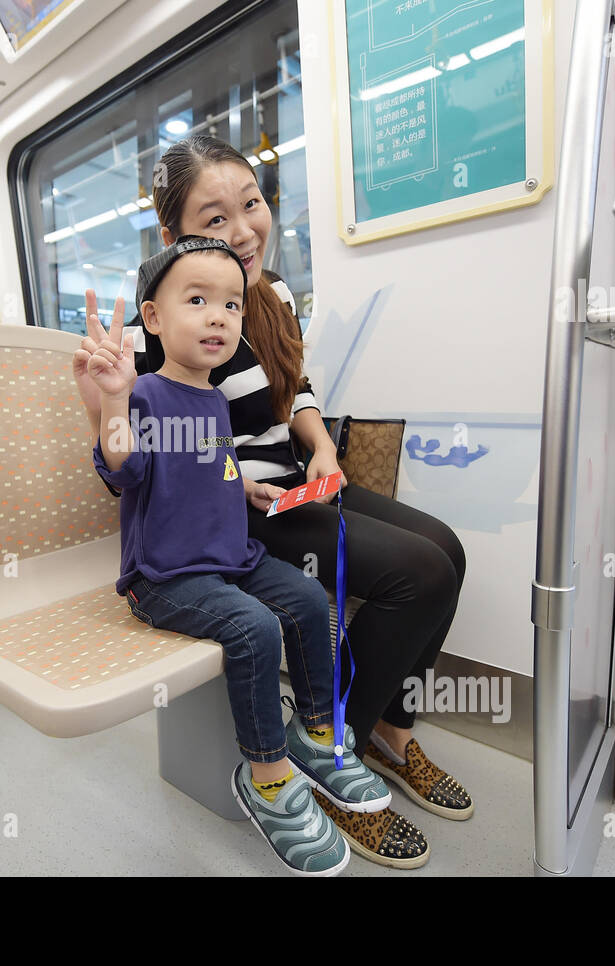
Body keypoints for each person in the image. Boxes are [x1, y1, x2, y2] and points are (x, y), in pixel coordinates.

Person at [75, 135, 468, 867]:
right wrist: (108, 400)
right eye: (214, 218)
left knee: (447, 548)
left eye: (250, 205)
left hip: (291, 481)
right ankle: (328, 751)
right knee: (418, 573)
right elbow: (127, 463)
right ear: (174, 239)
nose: (242, 230)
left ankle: (388, 727)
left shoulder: (273, 292)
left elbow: (295, 389)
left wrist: (319, 444)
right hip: (243, 509)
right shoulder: (155, 327)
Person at [82, 235, 393, 876]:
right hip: (165, 576)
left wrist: (241, 482)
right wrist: (112, 397)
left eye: (232, 304)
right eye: (197, 300)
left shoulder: (216, 399)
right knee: (254, 627)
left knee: (309, 599)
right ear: (154, 319)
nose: (219, 315)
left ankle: (314, 732)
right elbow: (126, 468)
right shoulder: (144, 395)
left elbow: (208, 463)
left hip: (228, 555)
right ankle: (268, 776)